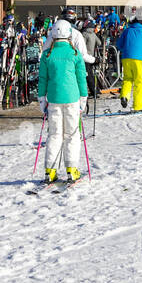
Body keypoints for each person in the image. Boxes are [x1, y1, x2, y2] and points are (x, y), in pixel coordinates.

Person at [36, 20, 88, 184]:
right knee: (72, 135)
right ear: (69, 34)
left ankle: (50, 171)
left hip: (53, 100)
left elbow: (42, 79)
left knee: (54, 135)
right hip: (72, 99)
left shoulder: (47, 55)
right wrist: (83, 98)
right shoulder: (74, 54)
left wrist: (41, 99)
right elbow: (81, 79)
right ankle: (72, 170)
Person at [81, 20, 101, 96]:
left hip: (85, 57)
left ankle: (94, 91)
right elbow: (99, 43)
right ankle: (96, 89)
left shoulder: (84, 34)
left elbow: (81, 45)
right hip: (92, 57)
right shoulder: (93, 34)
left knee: (87, 75)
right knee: (91, 74)